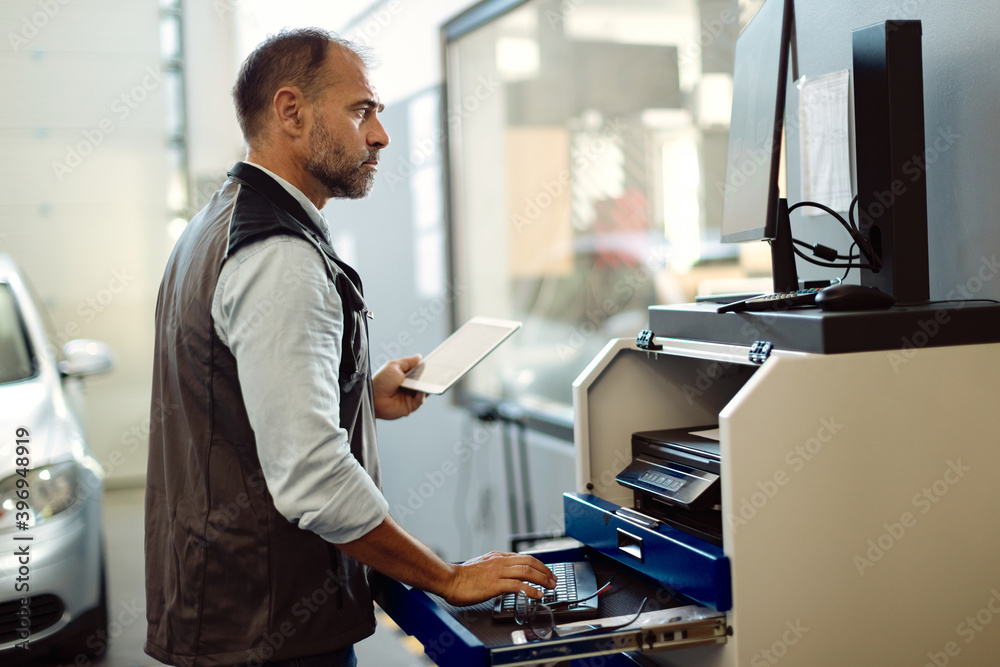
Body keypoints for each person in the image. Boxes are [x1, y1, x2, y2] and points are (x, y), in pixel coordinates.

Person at [144, 28, 555, 667]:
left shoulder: (214, 224)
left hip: (221, 610)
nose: (380, 135)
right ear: (291, 111)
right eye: (361, 110)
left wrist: (360, 395)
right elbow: (312, 476)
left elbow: (235, 391)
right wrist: (447, 577)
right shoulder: (278, 254)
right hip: (269, 630)